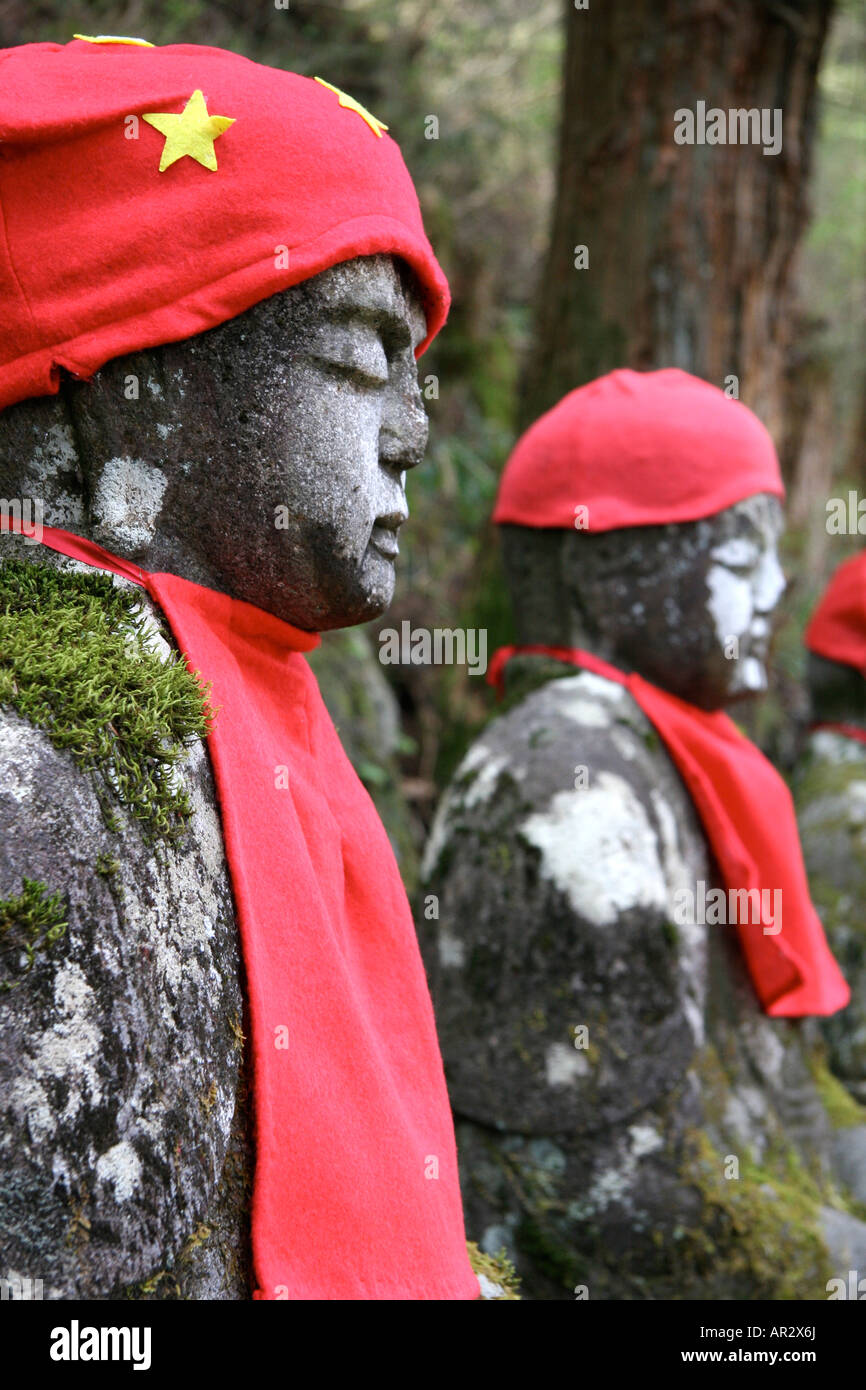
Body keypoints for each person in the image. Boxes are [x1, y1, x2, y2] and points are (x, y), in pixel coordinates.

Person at [0, 36, 477, 1301]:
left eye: (413, 374)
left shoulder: (246, 718)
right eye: (361, 354)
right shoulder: (35, 774)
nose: (412, 434)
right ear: (135, 354)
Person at [420, 368, 859, 1299]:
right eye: (742, 559)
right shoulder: (567, 794)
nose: (780, 589)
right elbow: (600, 1198)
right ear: (605, 573)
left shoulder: (681, 761)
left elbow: (775, 1102)